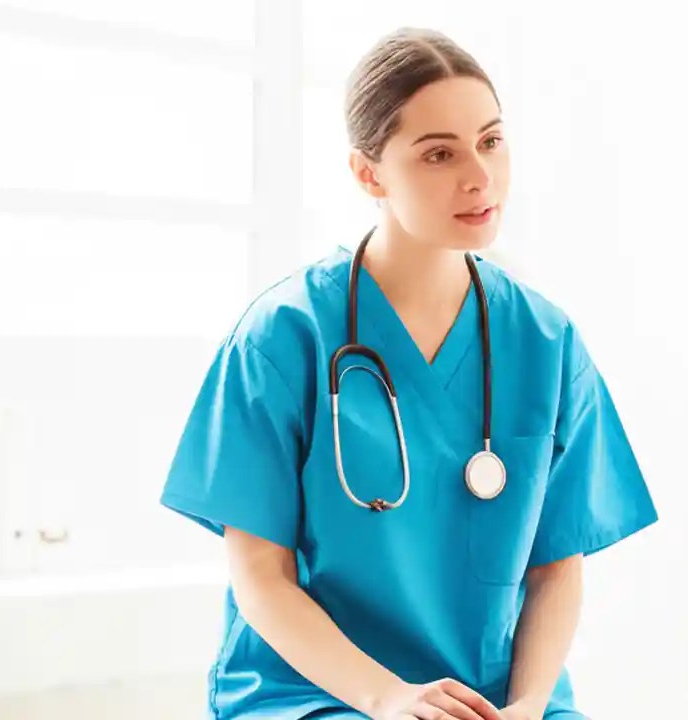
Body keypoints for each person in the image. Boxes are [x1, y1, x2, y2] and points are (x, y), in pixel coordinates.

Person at [160, 27, 657, 720]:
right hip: (316, 692)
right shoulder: (285, 338)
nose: (479, 176)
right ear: (370, 174)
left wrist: (529, 706)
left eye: (491, 141)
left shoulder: (545, 341)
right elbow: (260, 578)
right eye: (438, 154)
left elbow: (555, 568)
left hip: (495, 699)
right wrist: (388, 698)